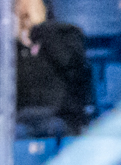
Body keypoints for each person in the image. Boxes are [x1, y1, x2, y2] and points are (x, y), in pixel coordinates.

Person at [13, 0, 92, 136]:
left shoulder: (67, 34)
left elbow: (69, 64)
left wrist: (41, 29)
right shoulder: (10, 47)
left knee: (52, 127)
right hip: (21, 117)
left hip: (60, 115)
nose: (21, 8)